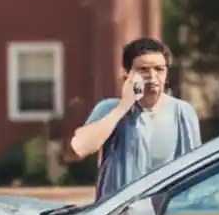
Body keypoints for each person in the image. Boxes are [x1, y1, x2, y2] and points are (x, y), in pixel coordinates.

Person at [69, 37, 201, 201]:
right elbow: (78, 149)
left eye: (159, 69)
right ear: (127, 74)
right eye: (143, 70)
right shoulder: (110, 108)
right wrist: (123, 107)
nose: (152, 76)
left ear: (167, 73)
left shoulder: (182, 113)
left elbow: (194, 172)